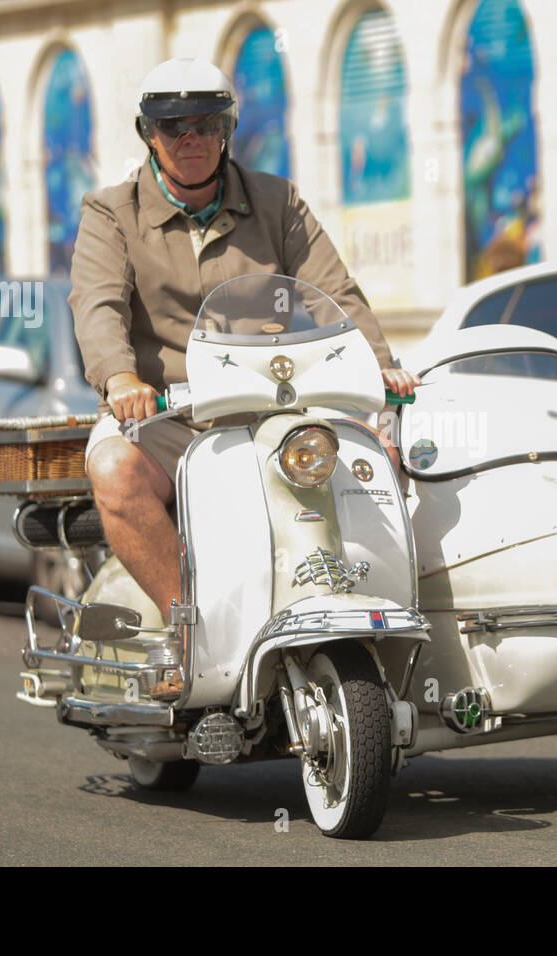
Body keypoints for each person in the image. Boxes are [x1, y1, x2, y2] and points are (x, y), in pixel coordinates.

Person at [69, 58, 418, 693]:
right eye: (173, 126)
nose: (190, 139)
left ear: (227, 128)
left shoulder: (278, 201)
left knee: (381, 454)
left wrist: (378, 362)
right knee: (114, 473)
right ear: (148, 133)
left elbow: (332, 288)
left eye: (205, 123)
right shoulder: (110, 212)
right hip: (168, 415)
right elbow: (97, 307)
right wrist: (120, 379)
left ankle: (381, 621)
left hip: (276, 407)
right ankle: (189, 634)